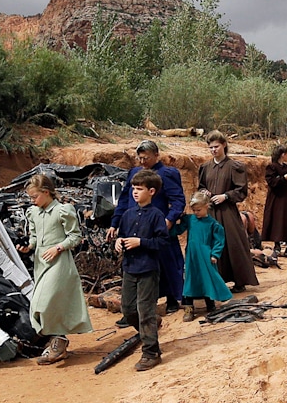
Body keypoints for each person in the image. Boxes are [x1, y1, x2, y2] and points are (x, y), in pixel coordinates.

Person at [15, 174, 93, 365]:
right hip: (41, 263)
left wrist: (58, 247)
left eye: (35, 197)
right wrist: (29, 247)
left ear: (46, 192)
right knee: (37, 305)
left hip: (59, 262)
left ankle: (59, 340)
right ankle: (58, 341)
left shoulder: (62, 211)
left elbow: (75, 237)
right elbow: (34, 237)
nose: (32, 201)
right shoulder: (33, 213)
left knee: (46, 301)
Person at [108, 140, 186, 315]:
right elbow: (123, 199)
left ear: (156, 156)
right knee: (136, 265)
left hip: (157, 226)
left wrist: (169, 220)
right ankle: (135, 308)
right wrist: (115, 222)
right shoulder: (135, 173)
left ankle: (172, 298)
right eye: (140, 158)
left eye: (146, 158)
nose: (142, 162)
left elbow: (178, 200)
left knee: (166, 264)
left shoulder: (166, 174)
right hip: (134, 224)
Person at [114, 169, 169, 371]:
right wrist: (119, 242)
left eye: (139, 189)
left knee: (144, 311)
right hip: (129, 268)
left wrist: (141, 242)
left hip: (148, 269)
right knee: (128, 310)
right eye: (133, 189)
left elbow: (162, 242)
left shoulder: (156, 216)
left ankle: (151, 352)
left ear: (152, 191)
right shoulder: (128, 215)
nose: (135, 193)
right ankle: (151, 326)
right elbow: (123, 235)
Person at [197, 131, 259, 292]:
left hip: (228, 212)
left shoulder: (235, 167)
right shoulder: (205, 167)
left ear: (224, 145)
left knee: (233, 244)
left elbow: (241, 191)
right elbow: (201, 186)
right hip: (210, 212)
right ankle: (217, 282)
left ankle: (240, 282)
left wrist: (225, 196)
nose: (213, 150)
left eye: (216, 146)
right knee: (212, 245)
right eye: (210, 147)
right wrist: (205, 193)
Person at [172, 190, 234, 322]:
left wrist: (215, 254)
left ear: (207, 206)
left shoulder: (213, 224)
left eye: (198, 210)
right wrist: (174, 222)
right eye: (194, 210)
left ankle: (210, 305)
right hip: (192, 257)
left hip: (206, 257)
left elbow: (219, 241)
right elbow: (177, 230)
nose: (196, 213)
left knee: (207, 279)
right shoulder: (189, 219)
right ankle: (189, 308)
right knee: (190, 280)